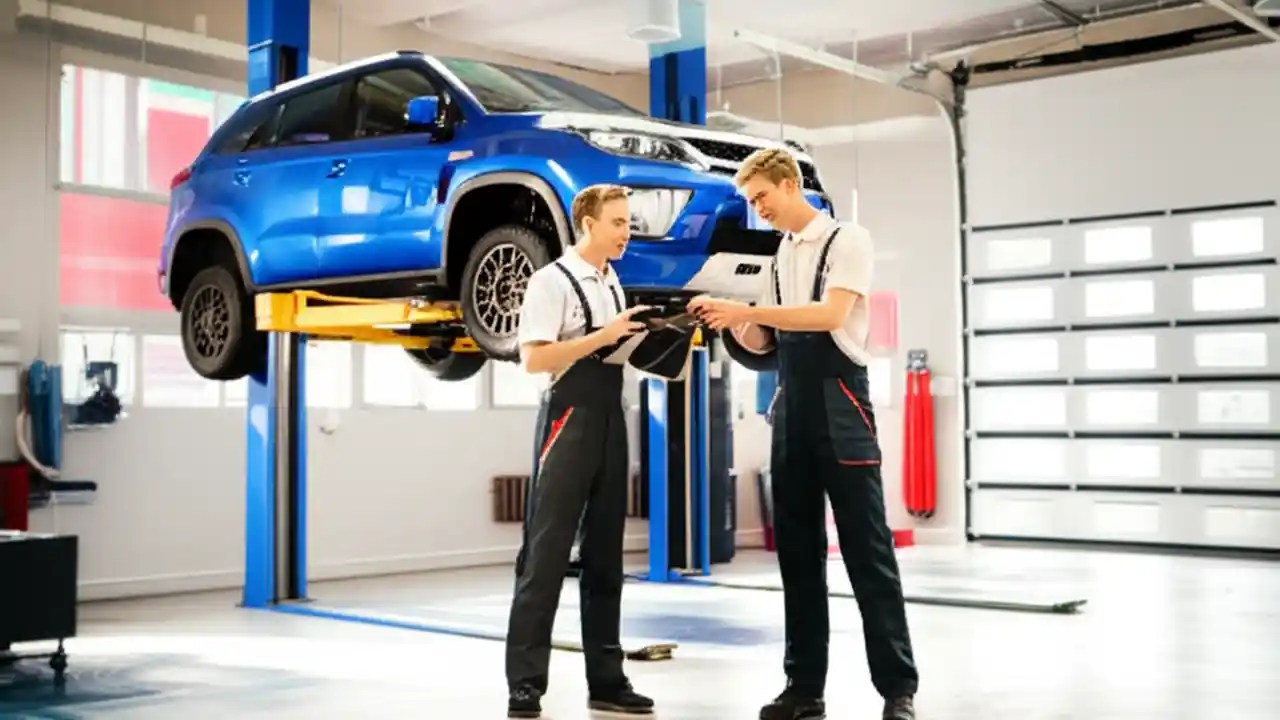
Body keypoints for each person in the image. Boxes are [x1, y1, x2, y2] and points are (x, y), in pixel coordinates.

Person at [689, 148, 919, 720]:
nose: (758, 209)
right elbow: (768, 346)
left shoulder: (848, 240)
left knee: (869, 553)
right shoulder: (777, 257)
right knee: (796, 553)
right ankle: (803, 689)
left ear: (789, 185)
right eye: (751, 202)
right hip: (790, 408)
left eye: (761, 197)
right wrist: (732, 321)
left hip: (842, 405)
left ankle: (898, 691)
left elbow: (828, 317)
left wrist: (747, 311)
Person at [504, 184, 655, 719]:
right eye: (617, 222)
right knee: (544, 557)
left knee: (605, 559)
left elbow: (614, 347)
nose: (626, 232)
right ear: (587, 224)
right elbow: (535, 359)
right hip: (566, 419)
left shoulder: (612, 281)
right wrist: (603, 335)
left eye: (628, 222)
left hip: (611, 418)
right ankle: (525, 686)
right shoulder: (551, 282)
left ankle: (607, 681)